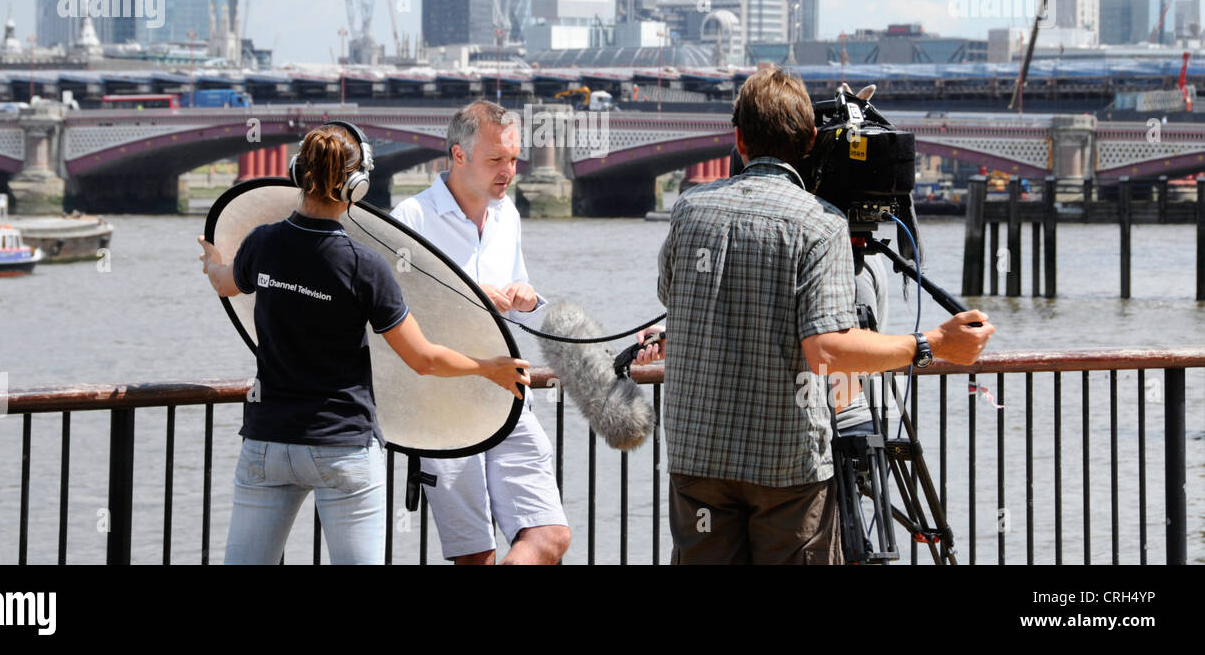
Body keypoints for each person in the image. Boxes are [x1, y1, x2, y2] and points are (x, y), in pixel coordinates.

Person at [638, 67, 993, 565]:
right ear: (809, 142)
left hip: (698, 457)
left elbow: (674, 296)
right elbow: (827, 349)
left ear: (737, 139)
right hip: (786, 464)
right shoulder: (819, 224)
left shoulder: (689, 209)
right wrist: (931, 344)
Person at [198, 123, 530, 565]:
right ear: (357, 186)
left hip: (267, 442)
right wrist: (490, 367)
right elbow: (424, 359)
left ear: (298, 172)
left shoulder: (263, 243)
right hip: (342, 446)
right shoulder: (365, 266)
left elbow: (225, 284)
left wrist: (213, 261)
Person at [391, 101, 572, 565]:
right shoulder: (410, 220)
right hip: (444, 405)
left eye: (513, 159)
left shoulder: (507, 215)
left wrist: (530, 301)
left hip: (509, 395)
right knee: (476, 556)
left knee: (550, 536)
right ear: (458, 156)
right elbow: (388, 325)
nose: (509, 171)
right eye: (496, 160)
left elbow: (522, 315)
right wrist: (470, 301)